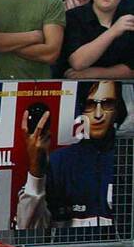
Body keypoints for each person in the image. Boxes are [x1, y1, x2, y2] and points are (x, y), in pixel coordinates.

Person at [18, 80, 128, 229]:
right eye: (90, 104)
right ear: (81, 109)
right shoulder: (59, 162)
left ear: (118, 110)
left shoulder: (128, 159)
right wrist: (36, 170)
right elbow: (28, 229)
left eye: (107, 104)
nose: (98, 114)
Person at [58, 0, 133, 79]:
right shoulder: (73, 17)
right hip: (77, 93)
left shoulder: (129, 19)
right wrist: (113, 31)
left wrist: (95, 73)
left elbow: (131, 69)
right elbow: (78, 62)